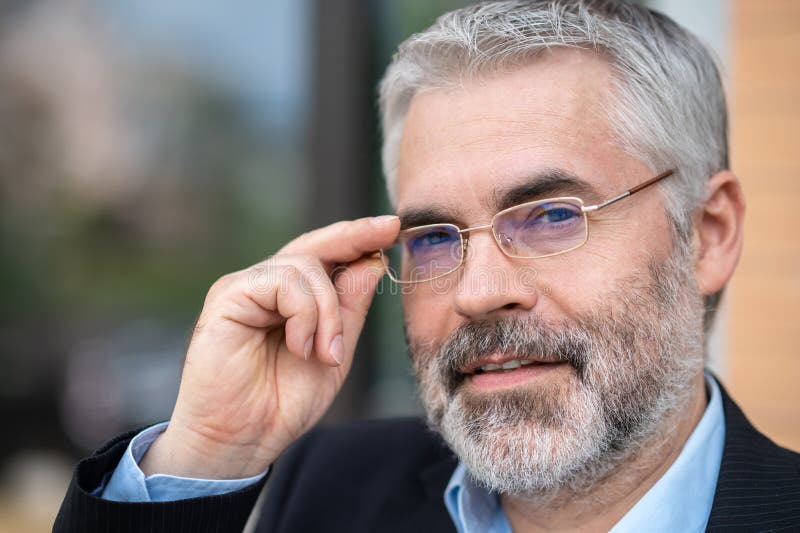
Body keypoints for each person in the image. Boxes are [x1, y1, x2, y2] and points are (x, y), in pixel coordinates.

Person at [55, 1, 800, 532]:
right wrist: (212, 451)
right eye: (436, 237)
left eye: (551, 216)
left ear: (707, 234)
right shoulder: (330, 488)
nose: (477, 291)